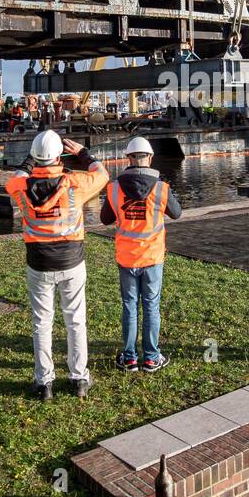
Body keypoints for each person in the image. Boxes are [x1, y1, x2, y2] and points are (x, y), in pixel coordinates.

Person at [4, 130, 109, 400]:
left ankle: (44, 382)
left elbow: (14, 179)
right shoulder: (74, 183)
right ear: (58, 156)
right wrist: (83, 153)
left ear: (36, 158)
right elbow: (103, 174)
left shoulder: (20, 187)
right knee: (75, 320)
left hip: (38, 261)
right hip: (72, 259)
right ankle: (79, 378)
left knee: (42, 322)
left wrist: (30, 161)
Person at [100, 136, 182, 373]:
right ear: (150, 158)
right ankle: (151, 357)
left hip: (127, 257)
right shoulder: (162, 189)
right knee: (151, 305)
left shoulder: (114, 188)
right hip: (153, 257)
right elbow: (176, 213)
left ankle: (129, 358)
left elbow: (106, 218)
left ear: (128, 158)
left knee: (129, 305)